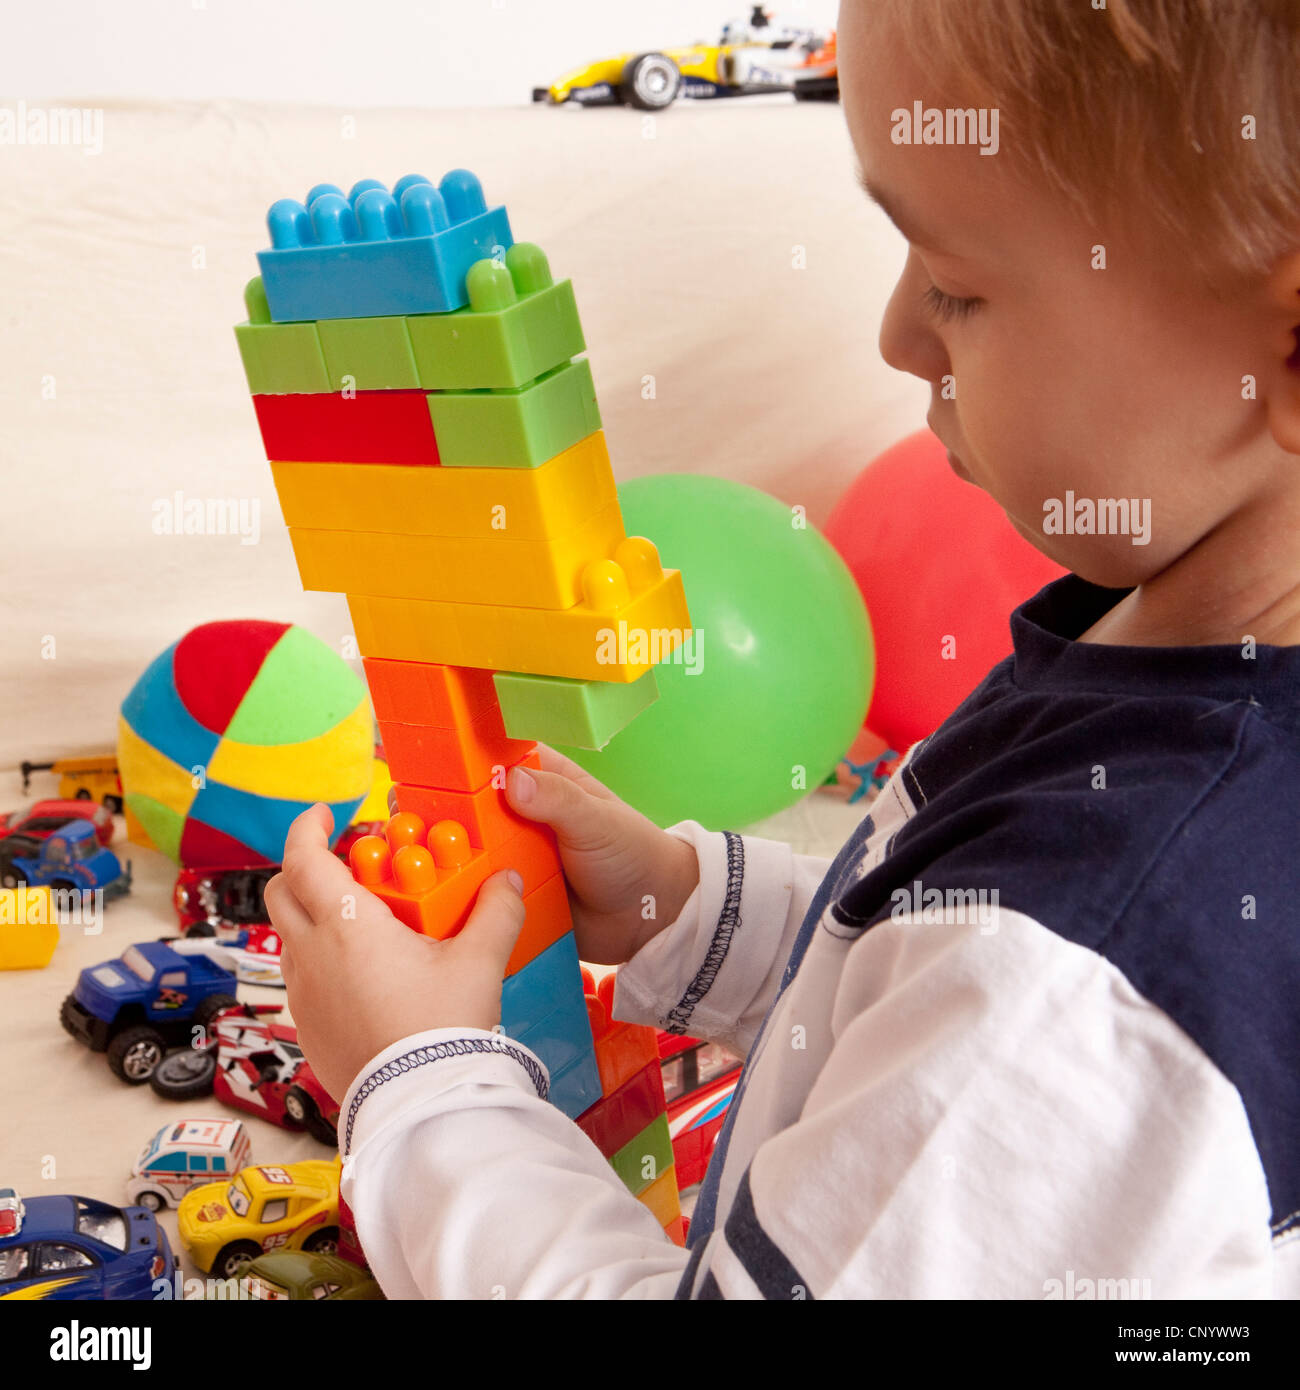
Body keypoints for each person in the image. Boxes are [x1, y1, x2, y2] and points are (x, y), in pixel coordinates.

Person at [266, 0, 1300, 1298]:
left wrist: (424, 1092)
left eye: (959, 283)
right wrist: (681, 904)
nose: (896, 337)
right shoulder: (1159, 652)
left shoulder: (1074, 991)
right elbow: (919, 978)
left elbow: (986, 1011)